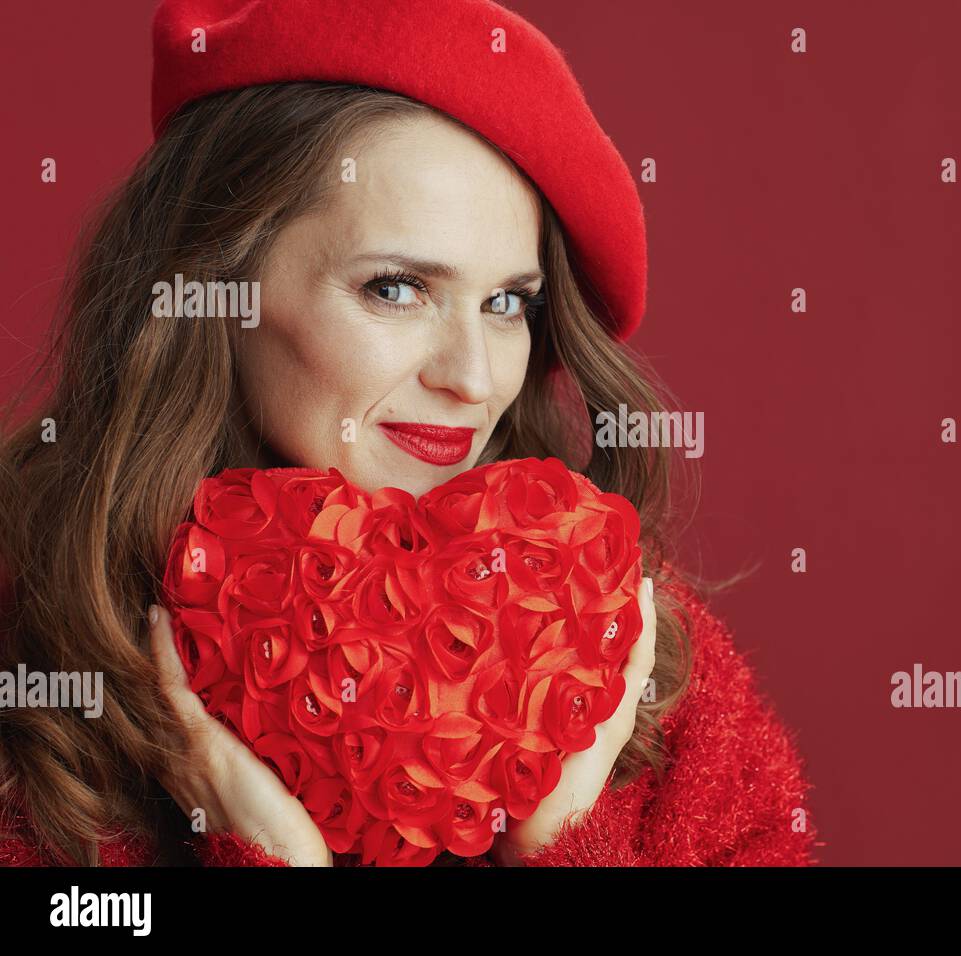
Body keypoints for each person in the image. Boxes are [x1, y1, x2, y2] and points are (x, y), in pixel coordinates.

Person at [0, 0, 817, 867]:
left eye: (508, 303)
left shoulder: (654, 669)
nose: (472, 377)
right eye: (396, 288)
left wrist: (569, 839)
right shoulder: (36, 660)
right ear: (216, 287)